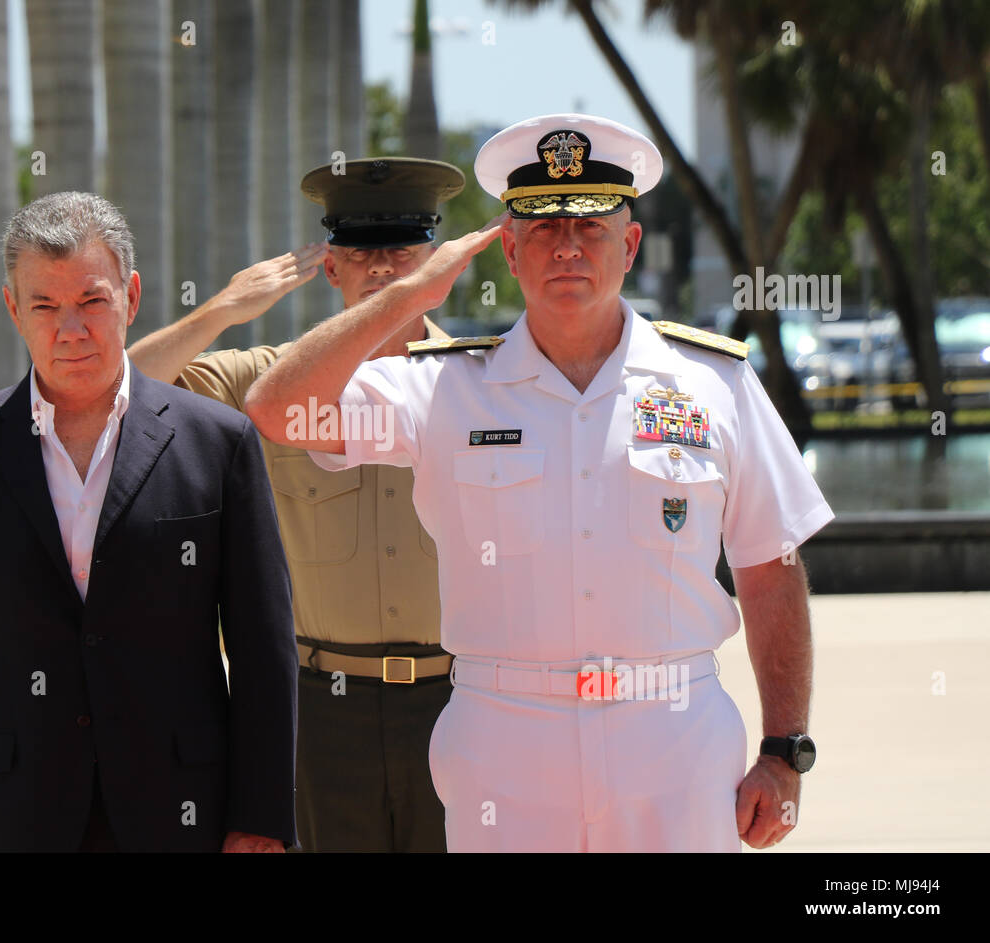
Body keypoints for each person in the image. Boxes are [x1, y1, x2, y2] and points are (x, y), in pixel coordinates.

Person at [245, 115, 833, 852]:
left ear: (630, 244)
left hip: (673, 740)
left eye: (590, 227)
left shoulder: (714, 382)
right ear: (511, 251)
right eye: (544, 227)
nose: (567, 247)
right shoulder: (446, 388)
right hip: (505, 748)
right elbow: (277, 411)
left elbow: (770, 568)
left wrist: (785, 750)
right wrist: (404, 297)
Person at [0, 191, 297, 853]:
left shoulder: (220, 443)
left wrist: (262, 818)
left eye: (92, 301)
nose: (70, 330)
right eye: (44, 305)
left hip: (184, 813)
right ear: (13, 308)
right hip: (10, 820)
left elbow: (263, 647)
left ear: (131, 298)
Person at [129, 157, 465, 852]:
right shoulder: (270, 381)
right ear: (332, 268)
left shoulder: (483, 379)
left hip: (461, 697)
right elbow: (122, 391)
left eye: (402, 248)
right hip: (323, 704)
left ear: (434, 261)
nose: (382, 267)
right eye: (362, 251)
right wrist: (224, 309)